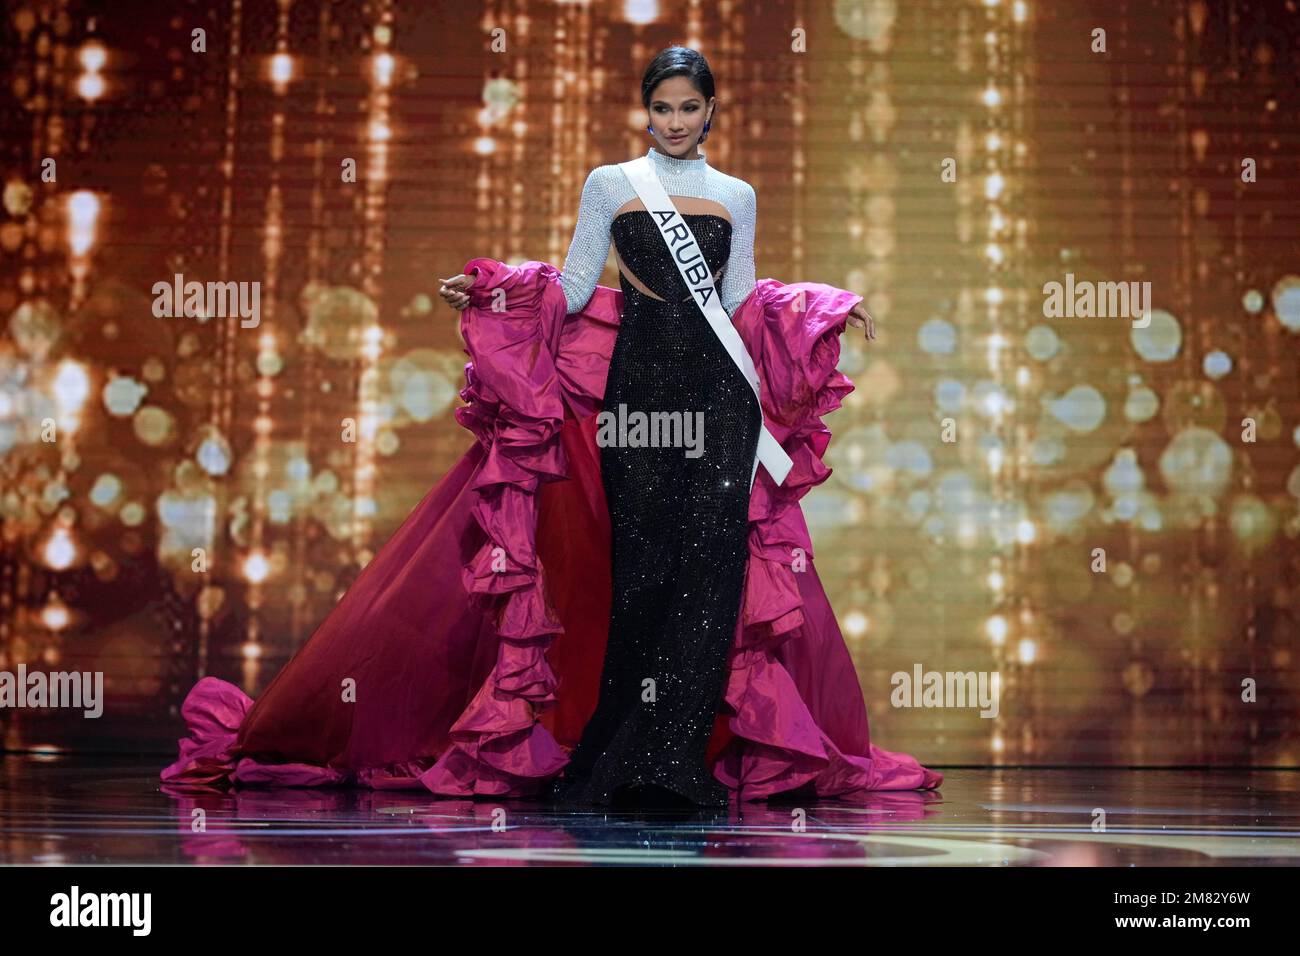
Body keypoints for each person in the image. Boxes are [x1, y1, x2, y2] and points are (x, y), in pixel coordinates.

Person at [161, 46, 940, 810]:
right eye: (662, 107)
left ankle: (671, 763)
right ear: (647, 109)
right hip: (636, 403)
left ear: (710, 112)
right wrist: (492, 291)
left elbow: (737, 303)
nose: (674, 120)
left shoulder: (735, 194)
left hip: (719, 404)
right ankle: (616, 751)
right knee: (642, 579)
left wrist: (821, 309)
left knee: (711, 580)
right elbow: (570, 288)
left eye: (688, 107)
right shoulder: (611, 185)